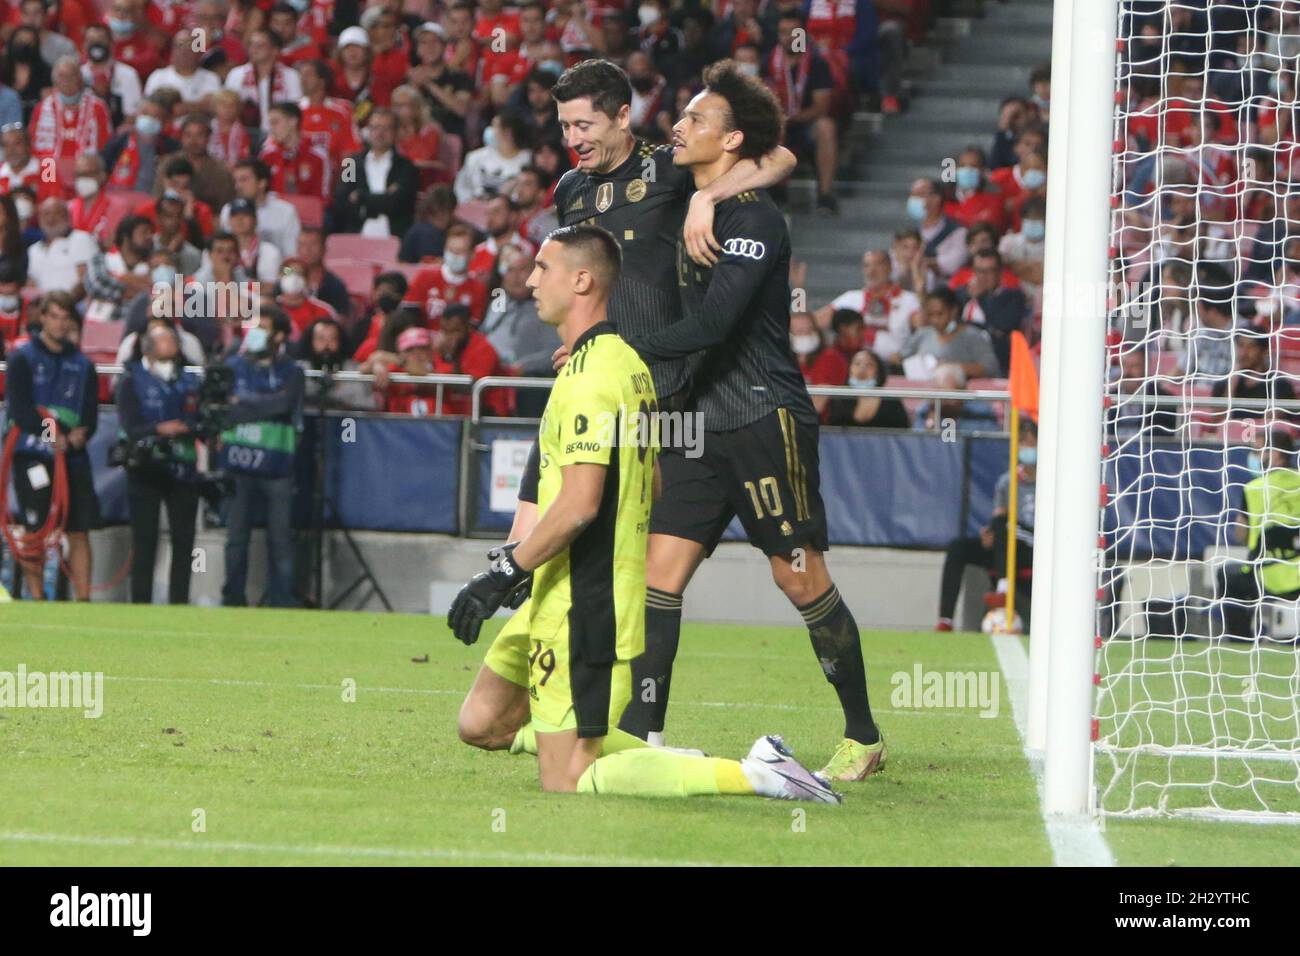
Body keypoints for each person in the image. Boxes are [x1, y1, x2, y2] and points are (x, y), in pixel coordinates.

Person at [449, 224, 840, 803]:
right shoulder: (628, 364)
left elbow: (580, 504)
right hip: (562, 591)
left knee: (567, 779)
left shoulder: (585, 380)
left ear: (581, 280)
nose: (530, 281)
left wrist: (505, 570)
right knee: (481, 723)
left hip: (583, 602)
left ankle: (759, 773)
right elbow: (652, 478)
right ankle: (647, 755)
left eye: (542, 268)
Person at [3, 291, 100, 600]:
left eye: (65, 317)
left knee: (79, 529)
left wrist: (78, 436)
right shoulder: (22, 359)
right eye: (53, 316)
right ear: (42, 318)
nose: (60, 324)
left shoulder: (84, 365)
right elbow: (19, 410)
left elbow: (90, 416)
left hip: (72, 459)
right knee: (35, 530)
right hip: (32, 455)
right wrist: (51, 434)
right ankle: (37, 598)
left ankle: (83, 599)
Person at [219, 305, 304, 608]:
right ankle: (232, 599)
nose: (254, 333)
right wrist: (262, 403)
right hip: (238, 462)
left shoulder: (293, 372)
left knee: (280, 539)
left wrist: (244, 403)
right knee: (235, 537)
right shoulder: (233, 366)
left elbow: (283, 405)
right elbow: (225, 407)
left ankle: (282, 601)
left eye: (263, 327)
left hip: (278, 465)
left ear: (279, 335)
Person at [114, 323, 203, 604]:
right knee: (145, 539)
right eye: (164, 340)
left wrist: (191, 427)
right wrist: (160, 429)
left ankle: (179, 601)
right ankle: (140, 601)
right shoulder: (131, 380)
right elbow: (130, 426)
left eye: (173, 340)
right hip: (145, 466)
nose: (172, 344)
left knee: (184, 540)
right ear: (148, 347)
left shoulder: (191, 381)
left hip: (183, 466)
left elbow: (202, 421)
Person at [936, 423, 1037, 631]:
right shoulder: (1007, 482)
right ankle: (946, 620)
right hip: (1008, 546)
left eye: (1028, 442)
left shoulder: (1053, 480)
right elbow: (998, 517)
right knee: (958, 547)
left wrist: (1001, 528)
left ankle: (1003, 587)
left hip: (1035, 546)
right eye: (1020, 443)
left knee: (1005, 526)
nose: (1024, 447)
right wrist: (991, 533)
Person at [1213, 429, 1300, 641]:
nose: (1255, 457)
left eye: (1259, 451)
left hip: (1265, 574)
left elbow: (1240, 535)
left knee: (1227, 575)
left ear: (1276, 454)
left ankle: (1240, 640)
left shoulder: (1254, 488)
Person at [330, 107, 419, 237]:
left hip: (394, 236)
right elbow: (341, 202)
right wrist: (384, 199)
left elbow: (398, 204)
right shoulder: (350, 163)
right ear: (368, 131)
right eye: (375, 127)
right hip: (356, 235)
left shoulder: (406, 166)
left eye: (386, 128)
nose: (380, 133)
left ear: (395, 132)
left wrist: (361, 197)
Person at [826, 349, 910, 428]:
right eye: (857, 363)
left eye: (869, 364)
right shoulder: (839, 399)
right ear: (849, 370)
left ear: (878, 373)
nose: (862, 368)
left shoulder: (892, 402)